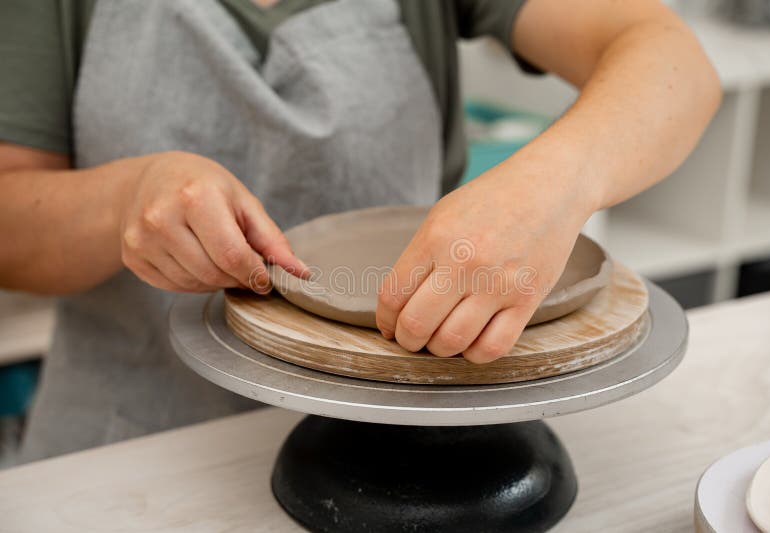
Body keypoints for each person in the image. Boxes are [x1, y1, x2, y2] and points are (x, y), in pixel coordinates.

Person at [0, 0, 720, 463]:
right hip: (134, 442)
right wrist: (127, 196)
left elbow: (670, 58)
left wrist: (552, 185)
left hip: (409, 438)